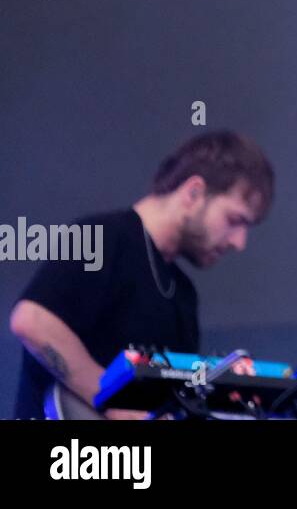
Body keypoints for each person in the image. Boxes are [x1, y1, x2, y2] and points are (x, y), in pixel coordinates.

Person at [9, 130, 274, 418]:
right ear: (193, 193)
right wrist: (110, 397)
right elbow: (32, 321)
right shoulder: (102, 236)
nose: (239, 242)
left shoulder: (182, 294)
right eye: (234, 220)